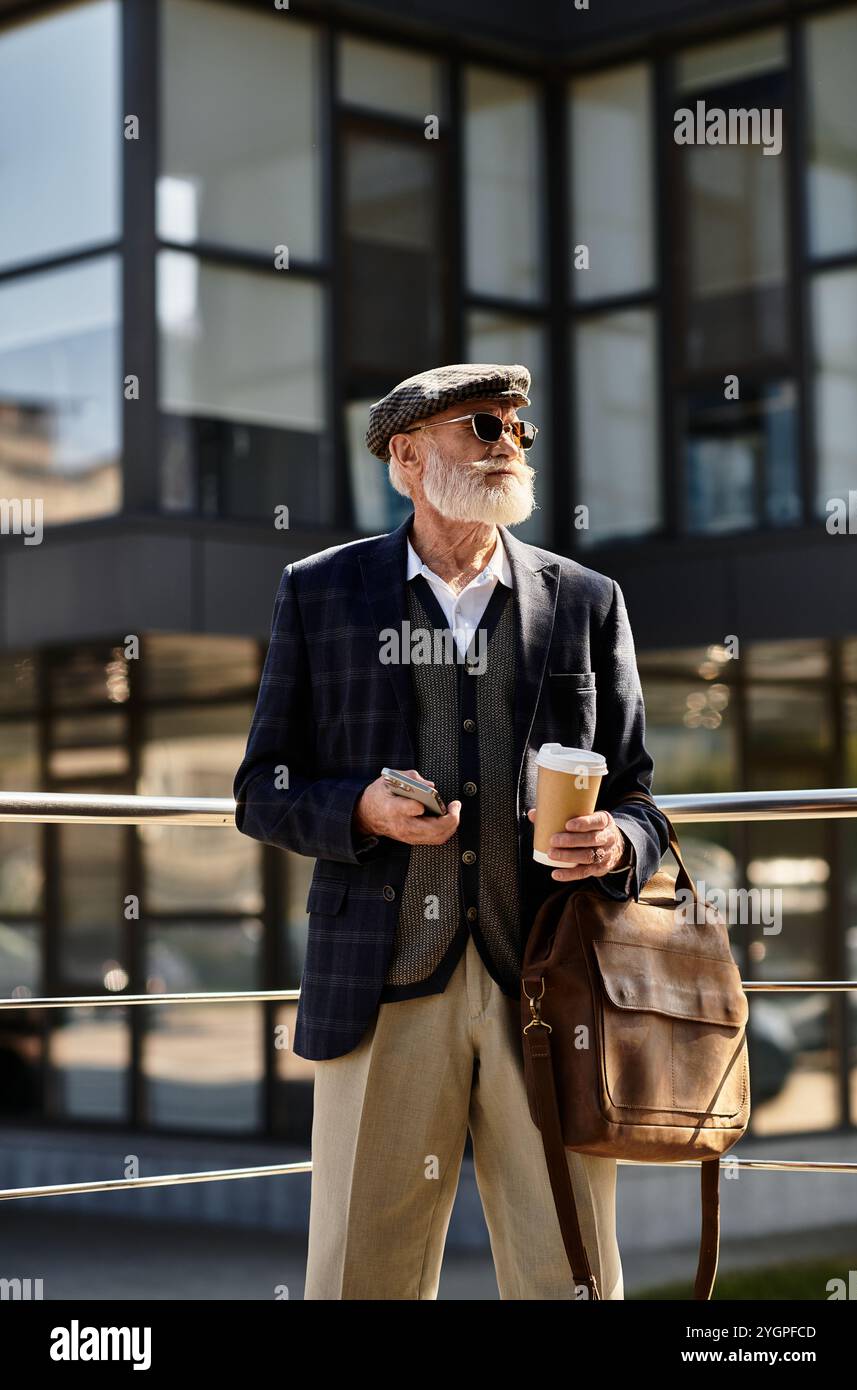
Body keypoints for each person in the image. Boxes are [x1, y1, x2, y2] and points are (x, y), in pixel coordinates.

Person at [233, 362, 669, 1299]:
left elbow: (640, 798)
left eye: (519, 427)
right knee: (362, 1277)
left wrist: (618, 844)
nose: (509, 441)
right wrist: (359, 808)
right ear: (407, 458)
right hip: (381, 992)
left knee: (574, 1273)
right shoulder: (322, 594)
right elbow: (261, 790)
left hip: (548, 987)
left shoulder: (586, 600)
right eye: (481, 426)